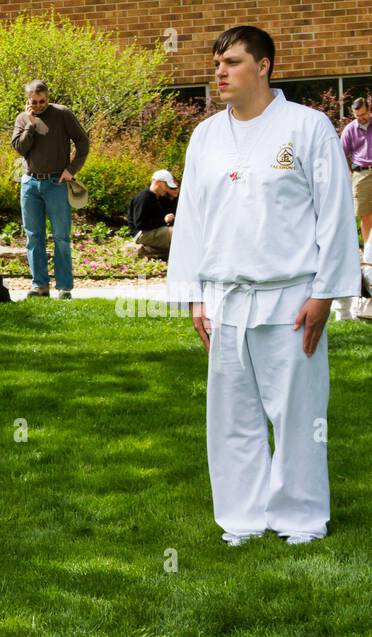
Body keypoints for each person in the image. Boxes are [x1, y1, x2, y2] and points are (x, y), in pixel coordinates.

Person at [167, 25, 361, 546]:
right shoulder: (206, 135)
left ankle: (300, 518)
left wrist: (326, 293)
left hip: (293, 295)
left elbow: (335, 214)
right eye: (216, 65)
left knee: (297, 414)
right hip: (226, 298)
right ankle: (243, 518)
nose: (220, 73)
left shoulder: (308, 126)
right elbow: (190, 220)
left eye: (231, 62)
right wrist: (193, 296)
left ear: (265, 65)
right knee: (233, 417)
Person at [11, 80, 90, 299]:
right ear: (28, 101)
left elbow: (83, 142)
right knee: (33, 236)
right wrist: (30, 123)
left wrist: (71, 169)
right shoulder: (22, 118)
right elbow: (20, 148)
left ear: (48, 97)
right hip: (30, 184)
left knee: (61, 236)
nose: (38, 105)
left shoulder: (63, 114)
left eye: (42, 101)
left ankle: (64, 288)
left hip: (57, 183)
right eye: (34, 102)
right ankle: (40, 286)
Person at [340, 96, 372, 244]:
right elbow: (340, 154)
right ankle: (369, 257)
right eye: (357, 115)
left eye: (363, 114)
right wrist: (348, 172)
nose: (361, 118)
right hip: (361, 175)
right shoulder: (350, 130)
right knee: (365, 216)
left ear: (369, 110)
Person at [127, 170, 179, 258]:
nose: (167, 189)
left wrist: (174, 197)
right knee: (175, 232)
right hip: (141, 234)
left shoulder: (160, 197)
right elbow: (140, 224)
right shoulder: (143, 197)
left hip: (154, 230)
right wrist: (164, 220)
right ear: (158, 182)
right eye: (166, 186)